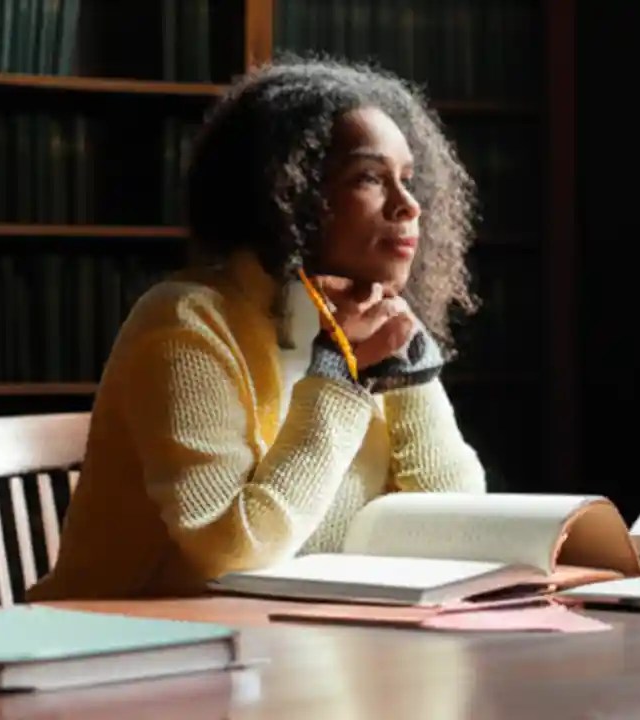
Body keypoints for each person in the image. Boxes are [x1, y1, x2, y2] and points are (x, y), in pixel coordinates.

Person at [27, 58, 487, 601]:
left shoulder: (373, 322)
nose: (408, 205)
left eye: (407, 180)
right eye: (368, 177)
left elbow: (456, 519)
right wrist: (341, 378)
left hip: (290, 644)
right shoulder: (185, 323)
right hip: (124, 654)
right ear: (287, 191)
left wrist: (403, 372)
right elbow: (229, 552)